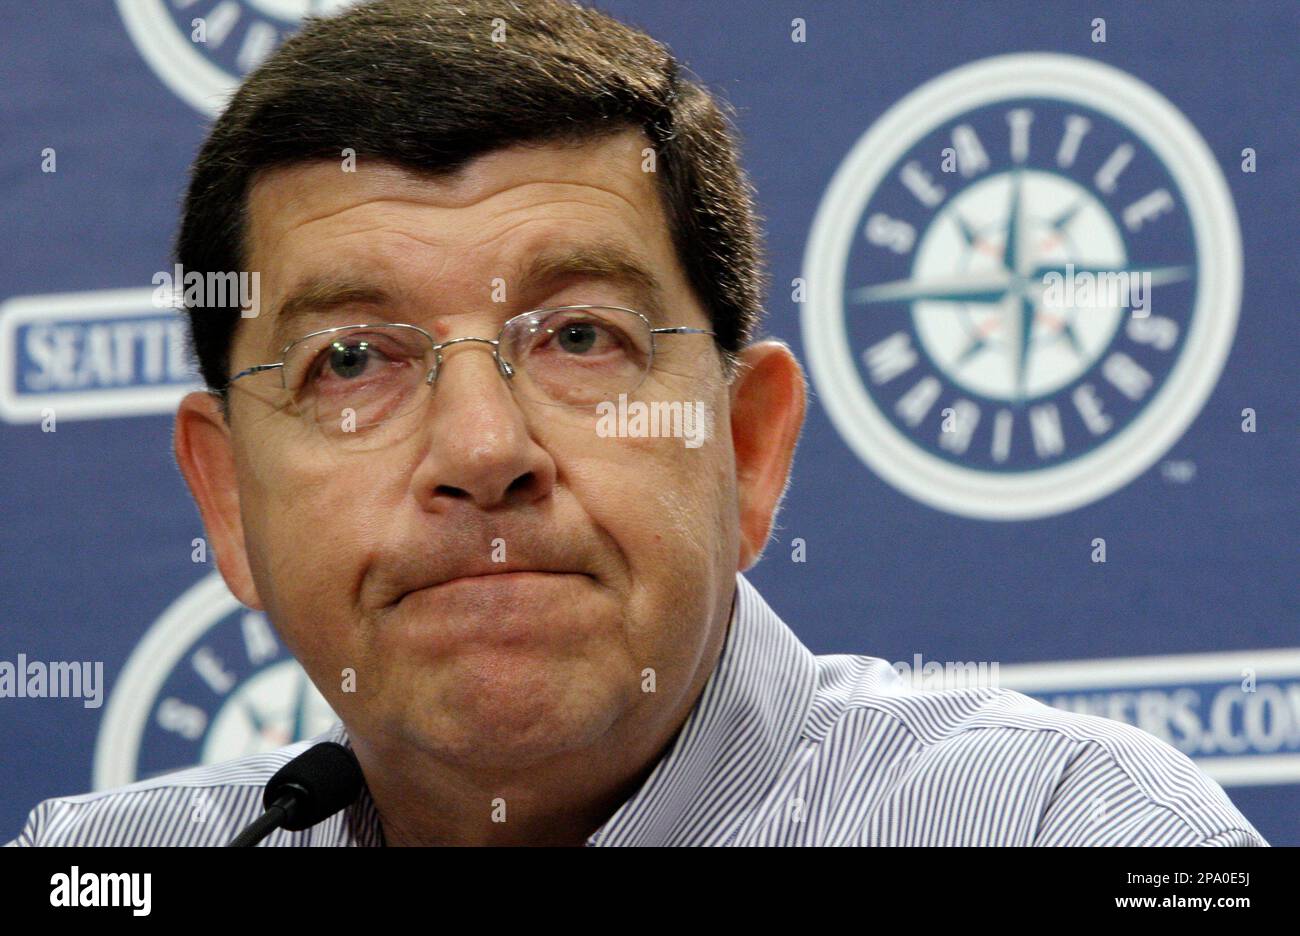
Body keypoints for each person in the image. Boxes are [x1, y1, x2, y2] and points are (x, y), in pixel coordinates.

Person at [7, 0, 1266, 846]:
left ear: (752, 446)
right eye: (351, 359)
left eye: (578, 337)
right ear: (225, 500)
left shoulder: (1070, 826)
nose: (483, 452)